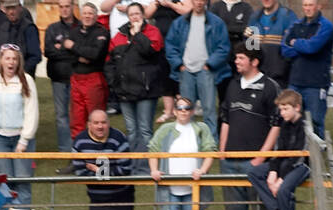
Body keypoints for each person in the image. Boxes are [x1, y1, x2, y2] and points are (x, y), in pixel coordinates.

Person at [219, 43, 279, 210]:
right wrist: (222, 150)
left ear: (254, 62)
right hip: (230, 163)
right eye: (236, 57)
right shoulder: (232, 85)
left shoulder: (270, 87)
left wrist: (261, 157)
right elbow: (225, 118)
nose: (236, 61)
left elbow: (277, 124)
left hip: (255, 165)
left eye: (241, 58)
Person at [148, 93, 214, 210]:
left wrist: (202, 170)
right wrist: (154, 171)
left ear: (192, 111)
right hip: (168, 188)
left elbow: (210, 150)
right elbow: (153, 149)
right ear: (175, 111)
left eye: (187, 108)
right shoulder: (165, 129)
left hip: (193, 188)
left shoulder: (201, 128)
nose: (184, 111)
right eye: (180, 108)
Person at [248, 88, 307, 210]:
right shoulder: (284, 125)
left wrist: (280, 178)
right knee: (254, 173)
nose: (282, 113)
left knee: (283, 190)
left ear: (297, 108)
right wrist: (273, 171)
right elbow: (278, 150)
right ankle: (276, 208)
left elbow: (298, 155)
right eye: (281, 109)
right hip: (284, 163)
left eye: (286, 109)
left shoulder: (305, 127)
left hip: (301, 165)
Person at [165, 0, 229, 138]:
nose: (199, 2)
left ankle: (210, 143)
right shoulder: (179, 23)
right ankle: (189, 141)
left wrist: (210, 64)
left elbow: (223, 47)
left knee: (209, 109)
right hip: (186, 71)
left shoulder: (217, 23)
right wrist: (179, 65)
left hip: (206, 71)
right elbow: (170, 46)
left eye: (202, 0)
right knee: (186, 110)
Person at [0, 44, 37, 204]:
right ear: (1, 60)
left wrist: (24, 140)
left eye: (14, 59)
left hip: (20, 138)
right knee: (5, 183)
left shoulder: (26, 80)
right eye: (7, 58)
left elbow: (31, 112)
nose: (11, 62)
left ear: (18, 61)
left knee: (23, 183)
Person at [107, 1, 163, 152]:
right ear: (127, 16)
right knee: (131, 131)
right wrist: (114, 82)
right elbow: (109, 62)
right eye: (131, 14)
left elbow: (150, 52)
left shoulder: (152, 32)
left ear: (143, 15)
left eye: (137, 14)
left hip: (146, 90)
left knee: (145, 130)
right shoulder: (119, 36)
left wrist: (138, 34)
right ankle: (133, 166)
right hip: (124, 91)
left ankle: (146, 167)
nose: (134, 17)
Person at [73, 108, 134, 210]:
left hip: (122, 196)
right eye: (96, 123)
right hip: (97, 199)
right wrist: (108, 173)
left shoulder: (119, 138)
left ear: (108, 123)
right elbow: (80, 173)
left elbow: (125, 169)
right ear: (89, 124)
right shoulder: (80, 142)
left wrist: (97, 170)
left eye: (103, 122)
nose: (100, 126)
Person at [280, 0, 332, 136]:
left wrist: (296, 42)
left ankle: (316, 156)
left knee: (315, 123)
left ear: (318, 6)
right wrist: (305, 47)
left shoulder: (326, 26)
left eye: (311, 5)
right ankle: (294, 154)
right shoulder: (296, 25)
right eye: (305, 5)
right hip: (295, 82)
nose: (307, 8)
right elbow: (285, 49)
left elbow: (313, 47)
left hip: (315, 84)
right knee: (290, 119)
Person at [63, 2, 108, 142]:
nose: (87, 16)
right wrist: (82, 55)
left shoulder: (102, 32)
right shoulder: (74, 31)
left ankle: (96, 152)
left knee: (96, 119)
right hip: (76, 79)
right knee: (77, 119)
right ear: (81, 15)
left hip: (94, 79)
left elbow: (94, 54)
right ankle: (78, 155)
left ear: (95, 16)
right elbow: (66, 53)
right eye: (85, 13)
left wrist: (74, 47)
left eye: (90, 13)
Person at [45, 0, 80, 160]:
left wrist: (63, 48)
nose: (64, 10)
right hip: (58, 76)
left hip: (77, 75)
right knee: (61, 114)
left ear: (73, 7)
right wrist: (70, 49)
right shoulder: (52, 28)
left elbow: (82, 51)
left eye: (67, 6)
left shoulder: (80, 27)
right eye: (61, 7)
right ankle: (65, 149)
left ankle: (78, 147)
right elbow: (48, 51)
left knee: (77, 113)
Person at [246, 0, 295, 89]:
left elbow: (292, 48)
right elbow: (249, 47)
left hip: (280, 77)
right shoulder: (254, 17)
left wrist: (282, 68)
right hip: (258, 76)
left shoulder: (287, 16)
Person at [0, 0, 40, 75]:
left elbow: (35, 56)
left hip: (22, 75)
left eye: (13, 8)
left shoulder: (29, 28)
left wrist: (21, 72)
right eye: (8, 8)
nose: (11, 12)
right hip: (2, 75)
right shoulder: (3, 27)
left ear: (20, 8)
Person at [208, 0, 250, 103]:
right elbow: (212, 28)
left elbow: (249, 29)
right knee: (222, 88)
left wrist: (224, 29)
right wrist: (237, 30)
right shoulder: (216, 7)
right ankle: (223, 114)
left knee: (239, 86)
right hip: (220, 55)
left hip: (239, 55)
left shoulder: (246, 8)